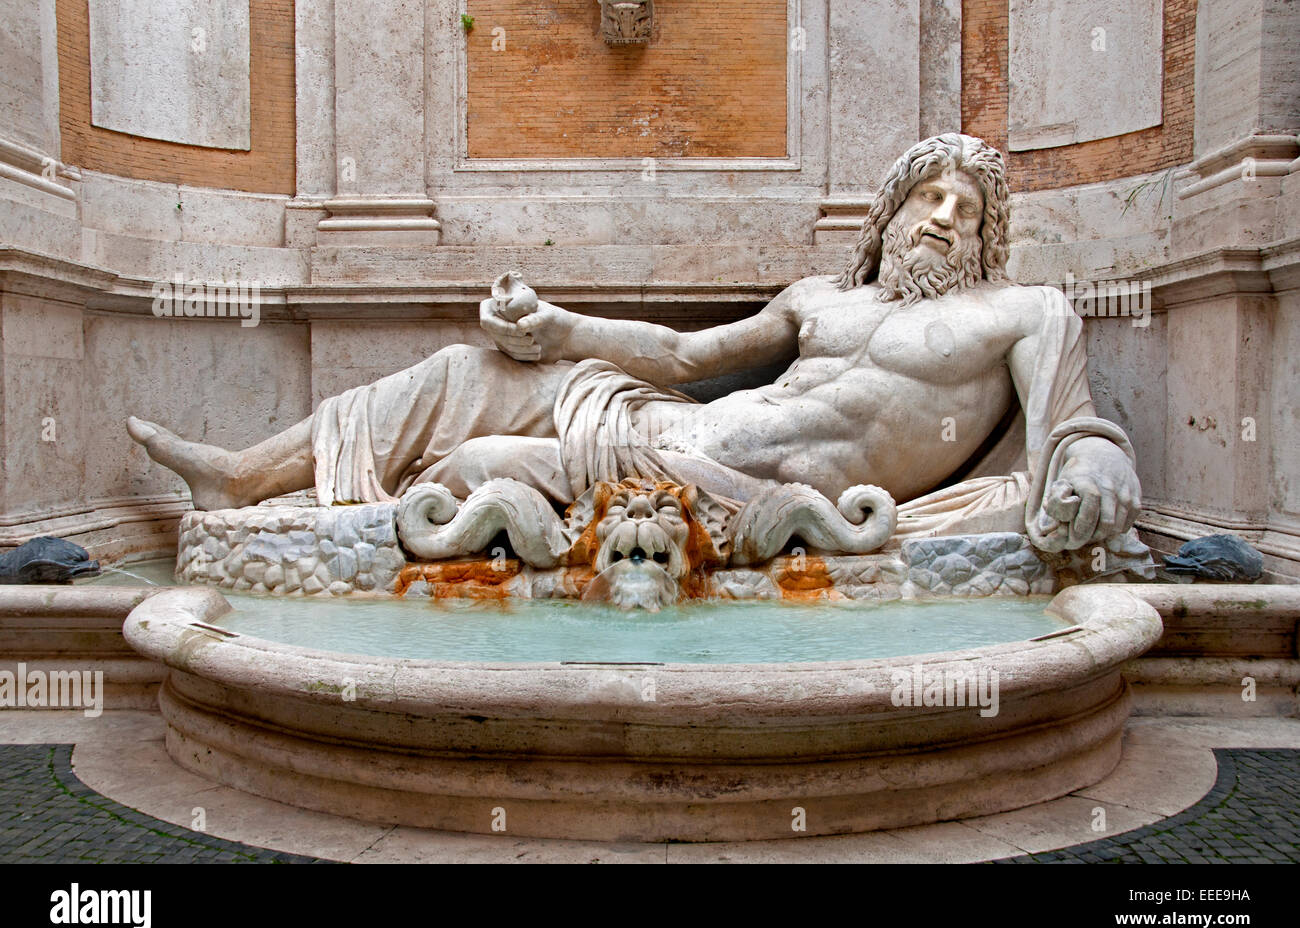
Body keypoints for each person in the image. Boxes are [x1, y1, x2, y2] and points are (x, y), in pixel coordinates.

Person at [127, 133, 1140, 552]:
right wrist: (561, 327)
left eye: (964, 208)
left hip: (752, 493)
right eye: (928, 195)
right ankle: (246, 478)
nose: (942, 216)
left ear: (983, 232)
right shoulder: (822, 296)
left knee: (478, 465)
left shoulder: (1027, 312)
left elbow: (1075, 429)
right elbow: (688, 357)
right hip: (679, 425)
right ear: (891, 209)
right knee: (466, 369)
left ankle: (335, 525)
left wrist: (1094, 466)